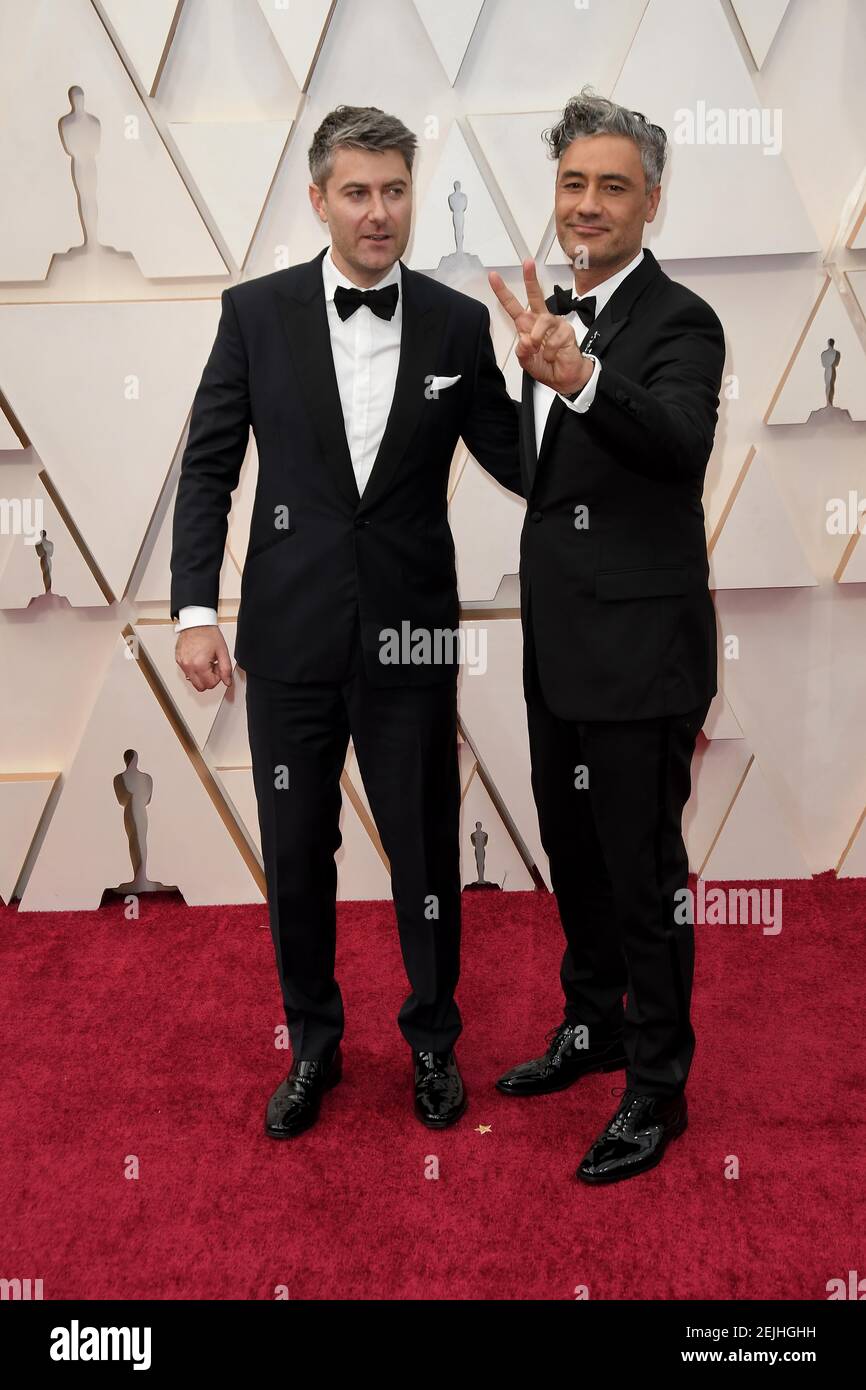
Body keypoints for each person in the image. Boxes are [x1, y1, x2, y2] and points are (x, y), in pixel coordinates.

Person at [170, 105, 523, 1139]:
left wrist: (566, 386)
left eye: (396, 190)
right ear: (317, 199)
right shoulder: (255, 313)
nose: (379, 213)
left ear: (414, 194)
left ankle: (430, 1043)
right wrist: (195, 607)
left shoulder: (460, 325)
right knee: (295, 850)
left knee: (421, 849)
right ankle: (313, 1043)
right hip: (286, 635)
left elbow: (522, 465)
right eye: (358, 192)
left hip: (410, 634)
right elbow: (208, 468)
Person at [488, 86, 726, 1184]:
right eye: (572, 183)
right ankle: (591, 1027)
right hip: (557, 653)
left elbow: (673, 443)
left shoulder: (679, 321)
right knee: (572, 856)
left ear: (652, 203)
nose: (586, 205)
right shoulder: (548, 312)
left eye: (611, 187)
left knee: (643, 873)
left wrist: (579, 375)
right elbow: (546, 483)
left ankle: (656, 1086)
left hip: (640, 657)